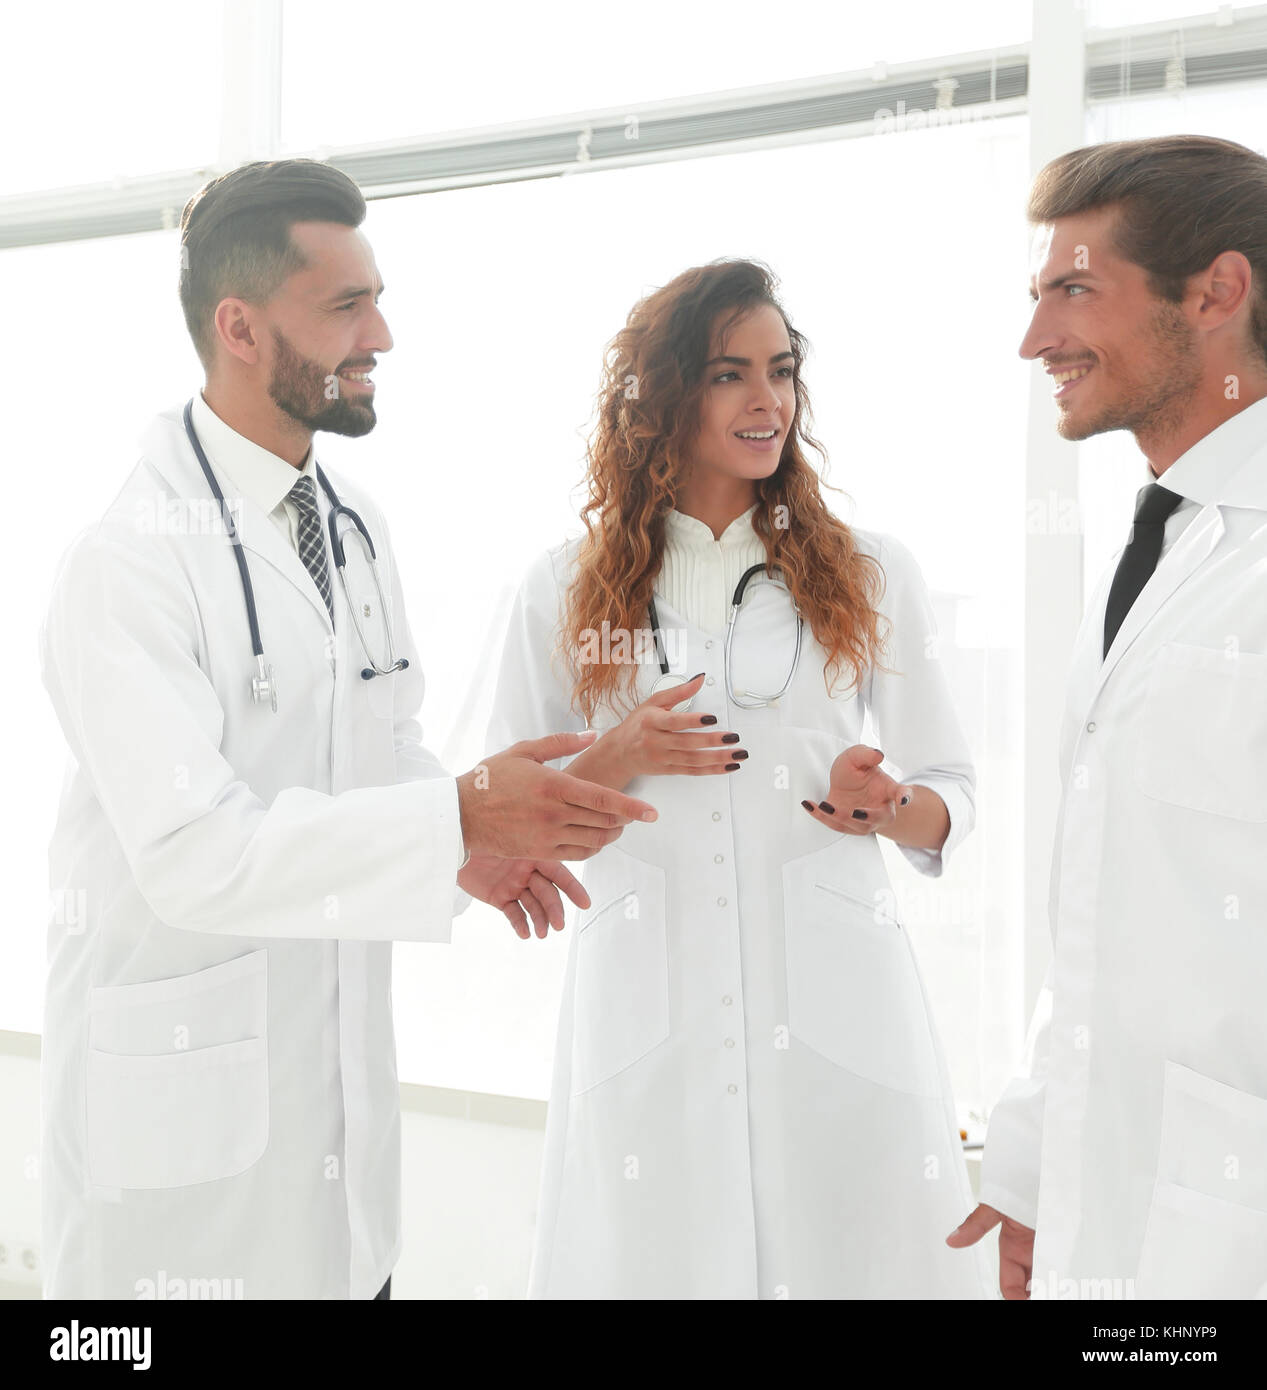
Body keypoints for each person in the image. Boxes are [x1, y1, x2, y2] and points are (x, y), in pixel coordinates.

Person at [38, 158, 656, 1300]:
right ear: (240, 326)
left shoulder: (354, 526)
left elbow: (384, 743)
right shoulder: (127, 563)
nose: (383, 333)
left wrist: (466, 837)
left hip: (340, 1177)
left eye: (376, 296)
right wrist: (453, 815)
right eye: (345, 307)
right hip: (184, 1205)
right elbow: (192, 854)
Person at [486, 258, 990, 1299]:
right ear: (663, 396)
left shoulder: (866, 569)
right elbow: (500, 818)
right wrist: (614, 754)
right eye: (729, 374)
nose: (768, 401)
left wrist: (889, 808)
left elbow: (951, 787)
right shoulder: (560, 589)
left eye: (782, 370)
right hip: (649, 1005)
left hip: (838, 1009)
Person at [948, 134, 1267, 1300]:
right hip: (1119, 1201)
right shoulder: (1162, 544)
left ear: (1216, 292)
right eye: (1036, 298)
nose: (1035, 340)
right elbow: (1115, 900)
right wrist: (1037, 1161)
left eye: (1072, 291)